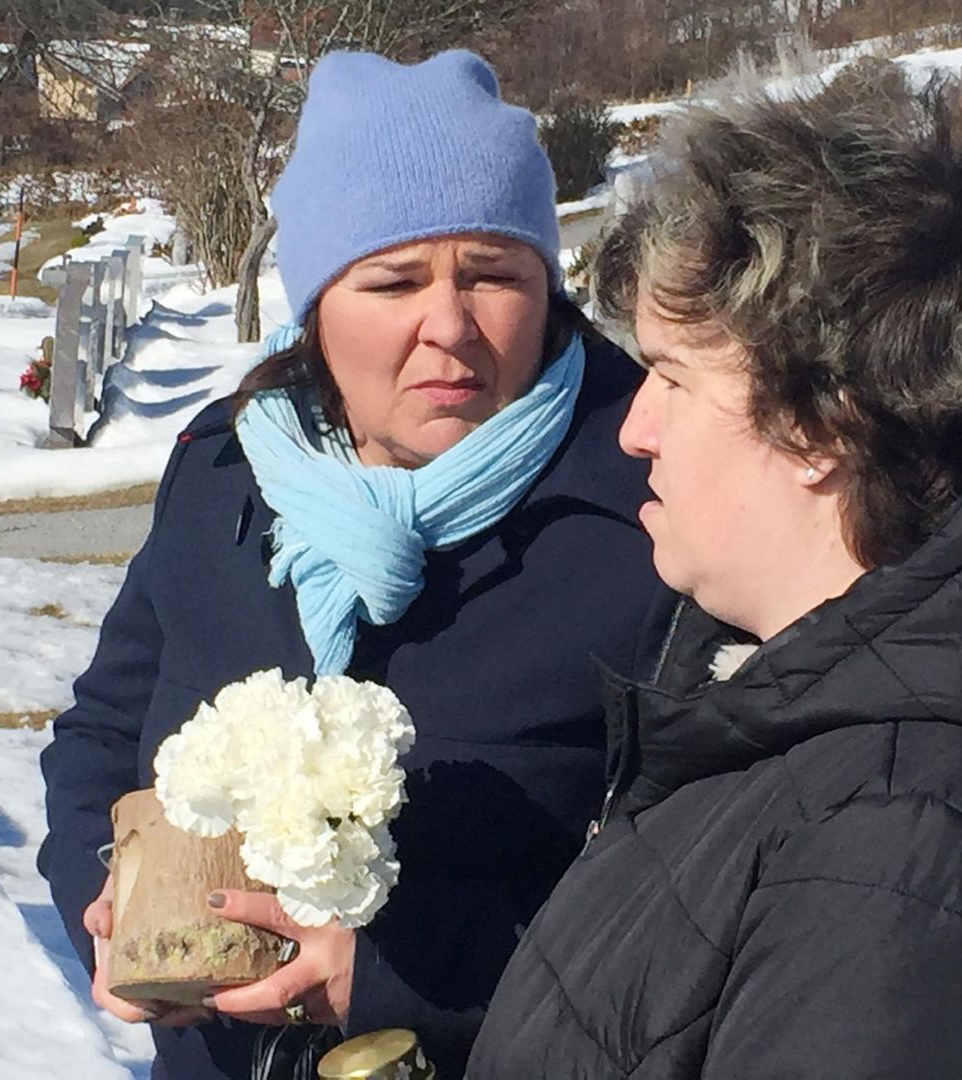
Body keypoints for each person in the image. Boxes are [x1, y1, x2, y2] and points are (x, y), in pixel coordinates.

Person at [468, 88, 962, 1078]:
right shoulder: (792, 710)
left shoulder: (906, 867)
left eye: (675, 378)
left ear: (820, 424)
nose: (635, 429)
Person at [38, 50, 675, 1080]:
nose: (450, 326)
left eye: (494, 274)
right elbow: (104, 732)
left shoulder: (651, 511)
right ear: (316, 307)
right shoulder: (227, 469)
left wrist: (393, 976)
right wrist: (104, 904)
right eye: (394, 282)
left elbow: (692, 915)